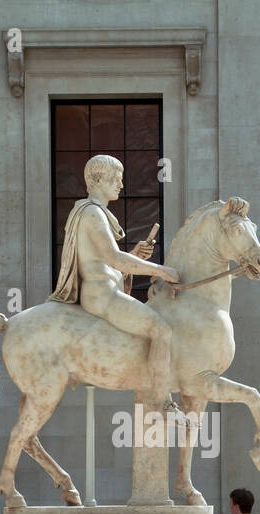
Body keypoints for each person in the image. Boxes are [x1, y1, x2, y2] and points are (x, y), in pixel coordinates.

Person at [49, 154, 180, 413]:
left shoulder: (92, 213)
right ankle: (159, 402)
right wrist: (163, 271)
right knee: (162, 330)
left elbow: (106, 261)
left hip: (103, 290)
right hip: (103, 296)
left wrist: (133, 256)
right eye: (117, 179)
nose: (121, 185)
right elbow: (112, 258)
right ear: (98, 180)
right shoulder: (92, 214)